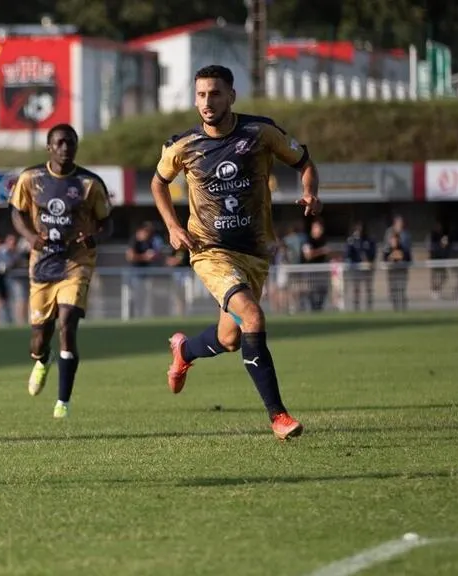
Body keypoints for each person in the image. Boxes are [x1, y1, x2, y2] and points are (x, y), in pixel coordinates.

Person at [153, 65, 321, 441]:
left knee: (230, 338)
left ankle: (184, 351)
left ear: (231, 96)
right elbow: (158, 182)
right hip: (209, 250)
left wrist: (310, 192)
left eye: (214, 94)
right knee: (252, 317)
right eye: (200, 95)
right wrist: (173, 227)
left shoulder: (260, 132)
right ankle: (278, 416)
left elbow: (304, 162)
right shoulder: (183, 146)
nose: (207, 102)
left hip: (256, 251)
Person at [9, 124, 113, 419]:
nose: (66, 148)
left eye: (71, 143)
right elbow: (16, 211)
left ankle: (62, 403)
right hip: (42, 265)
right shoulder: (31, 178)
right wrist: (30, 238)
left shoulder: (89, 184)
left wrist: (96, 237)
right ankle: (42, 359)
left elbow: (108, 222)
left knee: (67, 324)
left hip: (76, 263)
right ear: (49, 147)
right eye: (60, 142)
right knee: (39, 338)